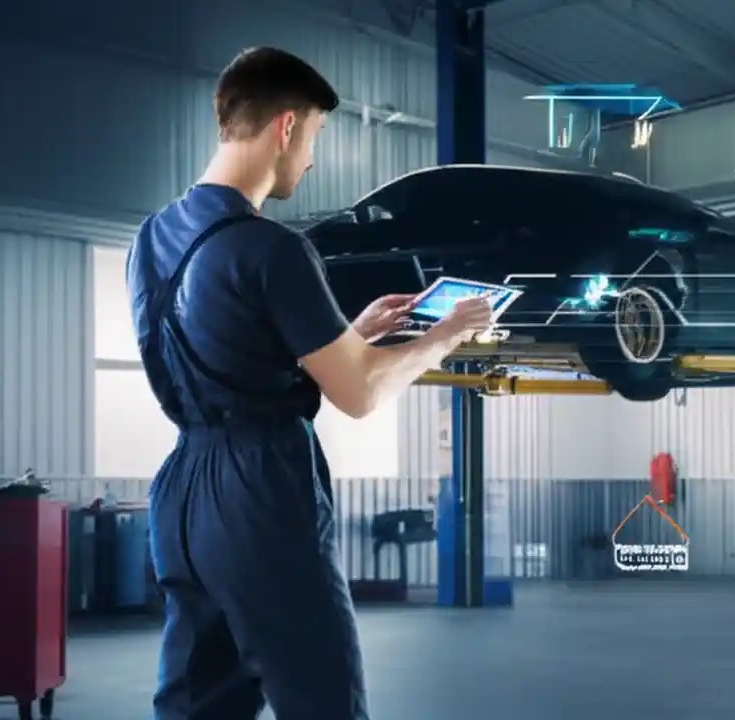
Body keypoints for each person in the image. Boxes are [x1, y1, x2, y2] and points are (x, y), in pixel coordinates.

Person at [126, 47, 492, 720]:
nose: (313, 158)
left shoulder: (150, 239)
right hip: (261, 491)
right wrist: (445, 336)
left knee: (196, 704)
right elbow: (360, 395)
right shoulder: (271, 247)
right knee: (324, 700)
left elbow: (228, 347)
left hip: (182, 495)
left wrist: (351, 334)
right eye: (317, 136)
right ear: (287, 127)